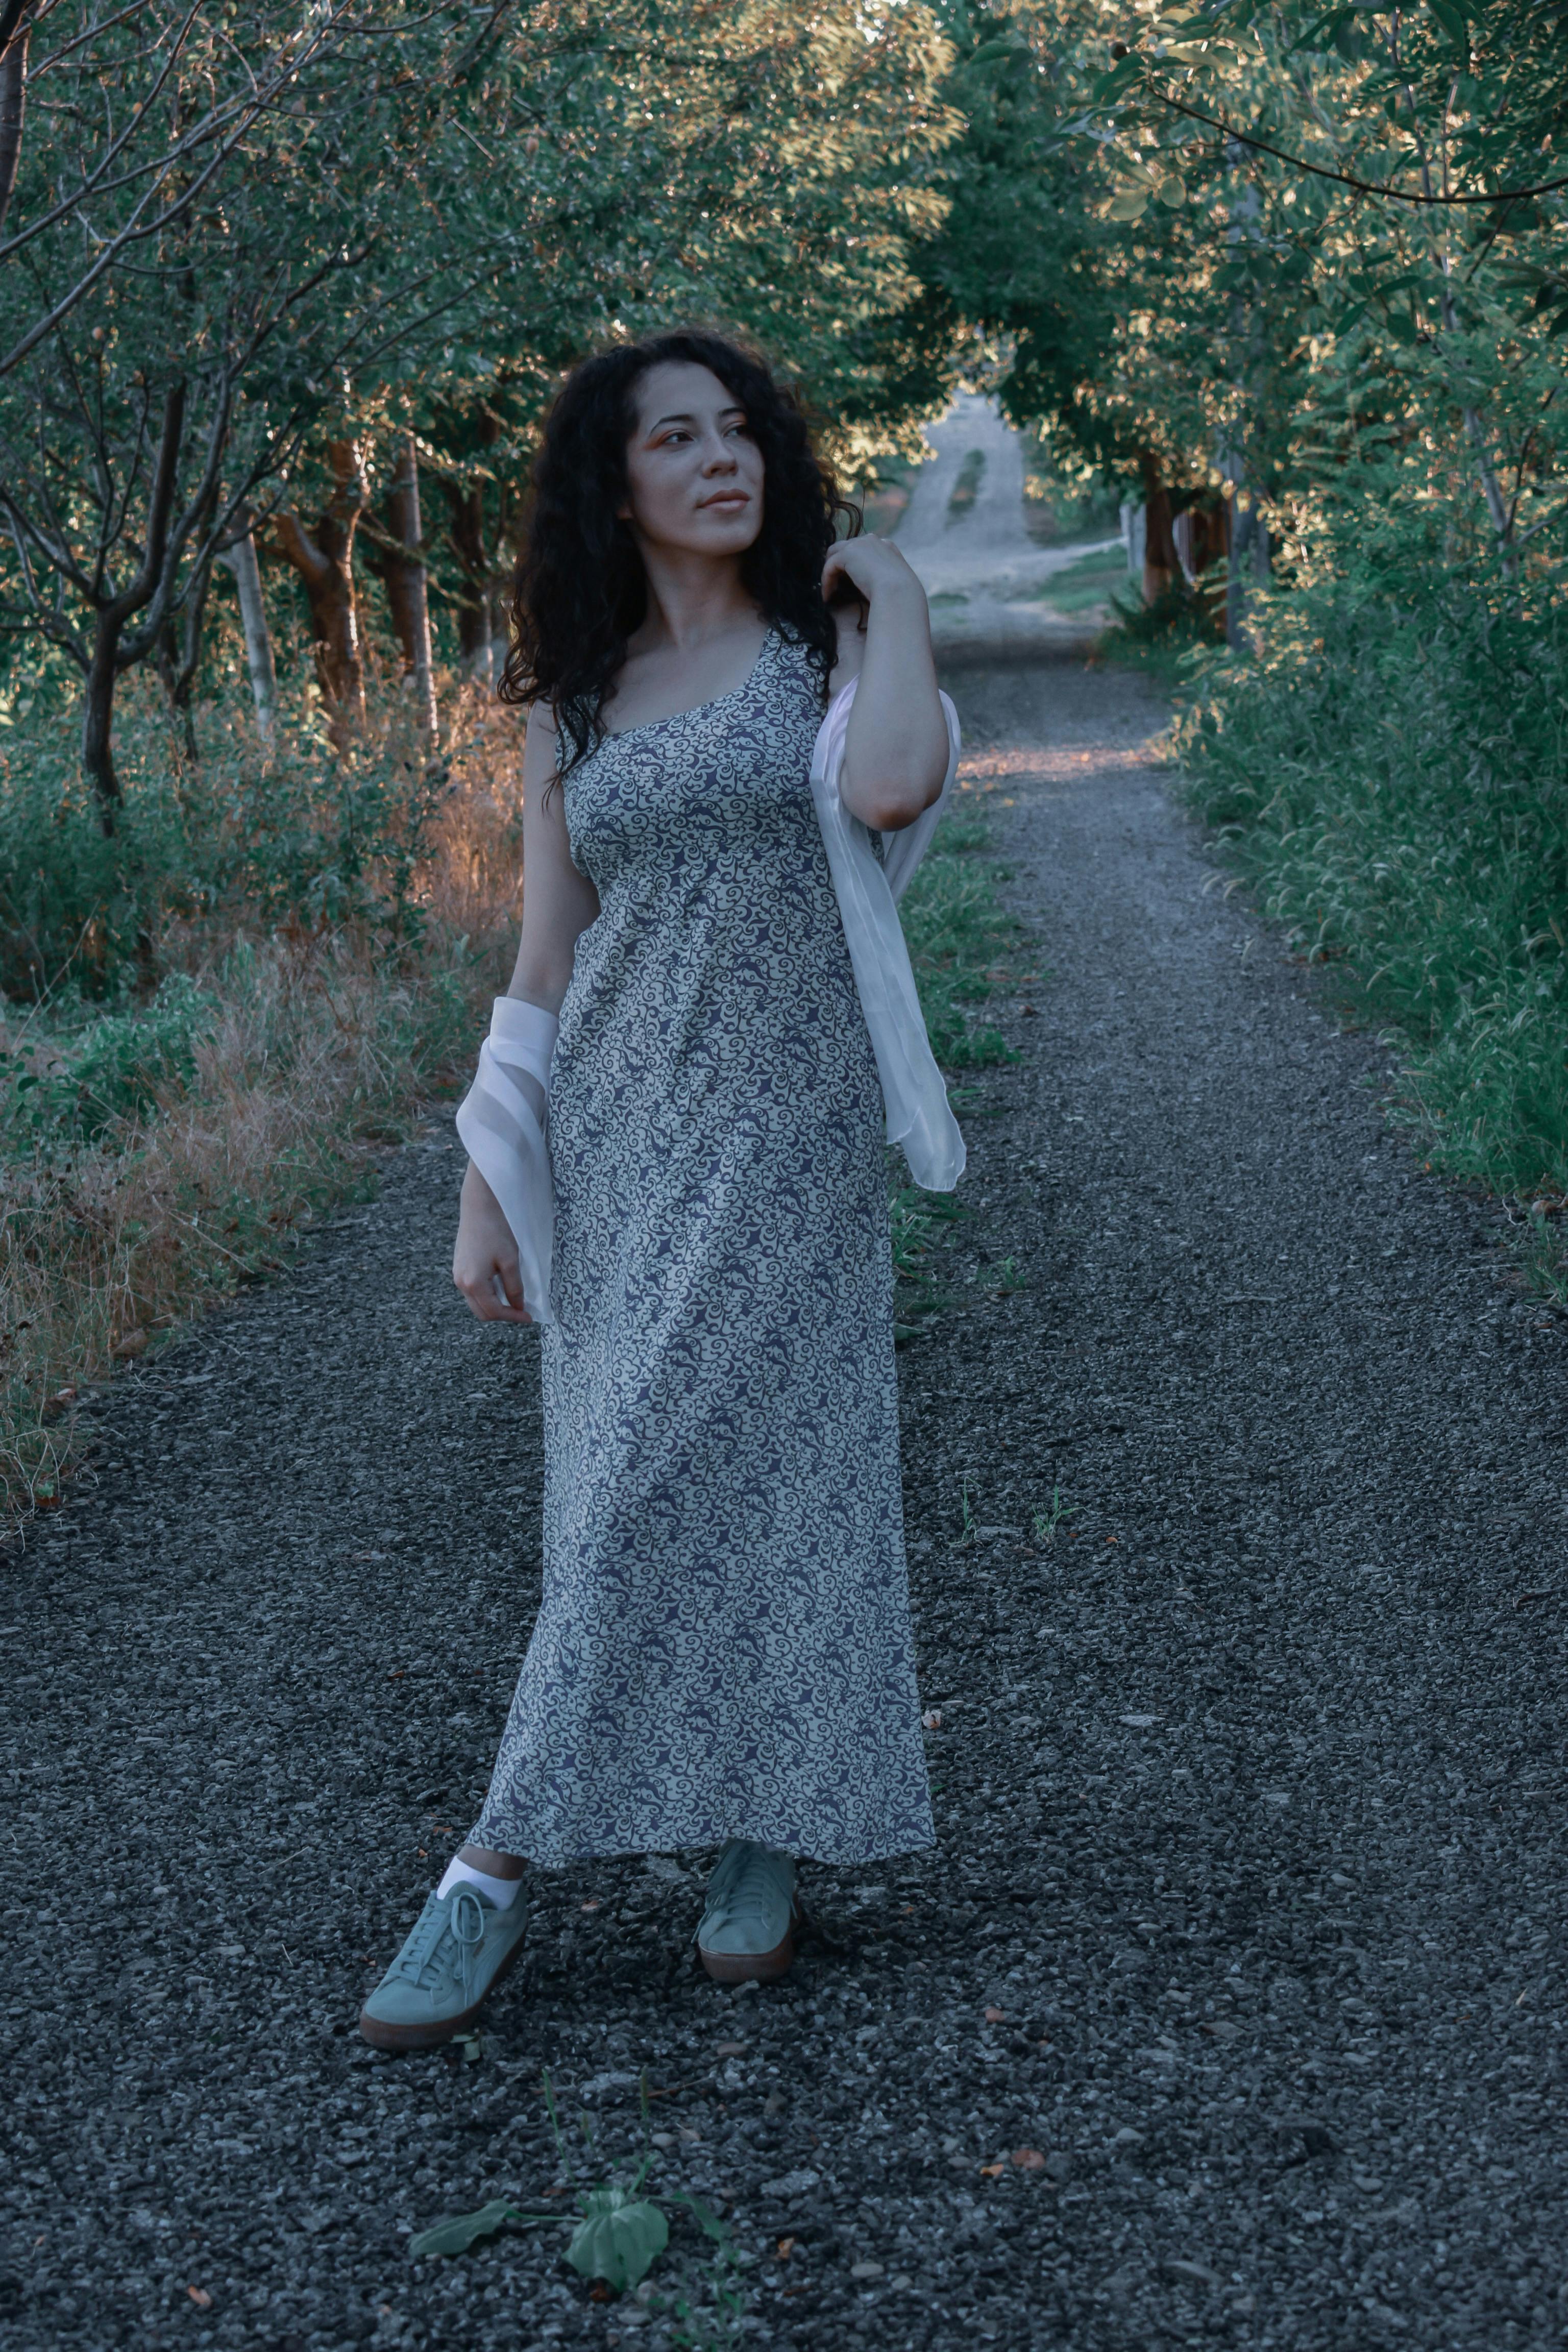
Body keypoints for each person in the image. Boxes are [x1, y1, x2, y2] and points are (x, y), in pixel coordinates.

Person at [359, 328, 956, 2052]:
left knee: (706, 1477)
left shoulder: (821, 653)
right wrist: (491, 1176)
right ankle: (752, 1843)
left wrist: (898, 592)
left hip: (788, 1129)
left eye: (741, 430)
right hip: (618, 1139)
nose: (720, 459)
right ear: (613, 488)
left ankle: (490, 1866)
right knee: (629, 1478)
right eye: (674, 440)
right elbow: (548, 955)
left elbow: (898, 784)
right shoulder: (575, 705)